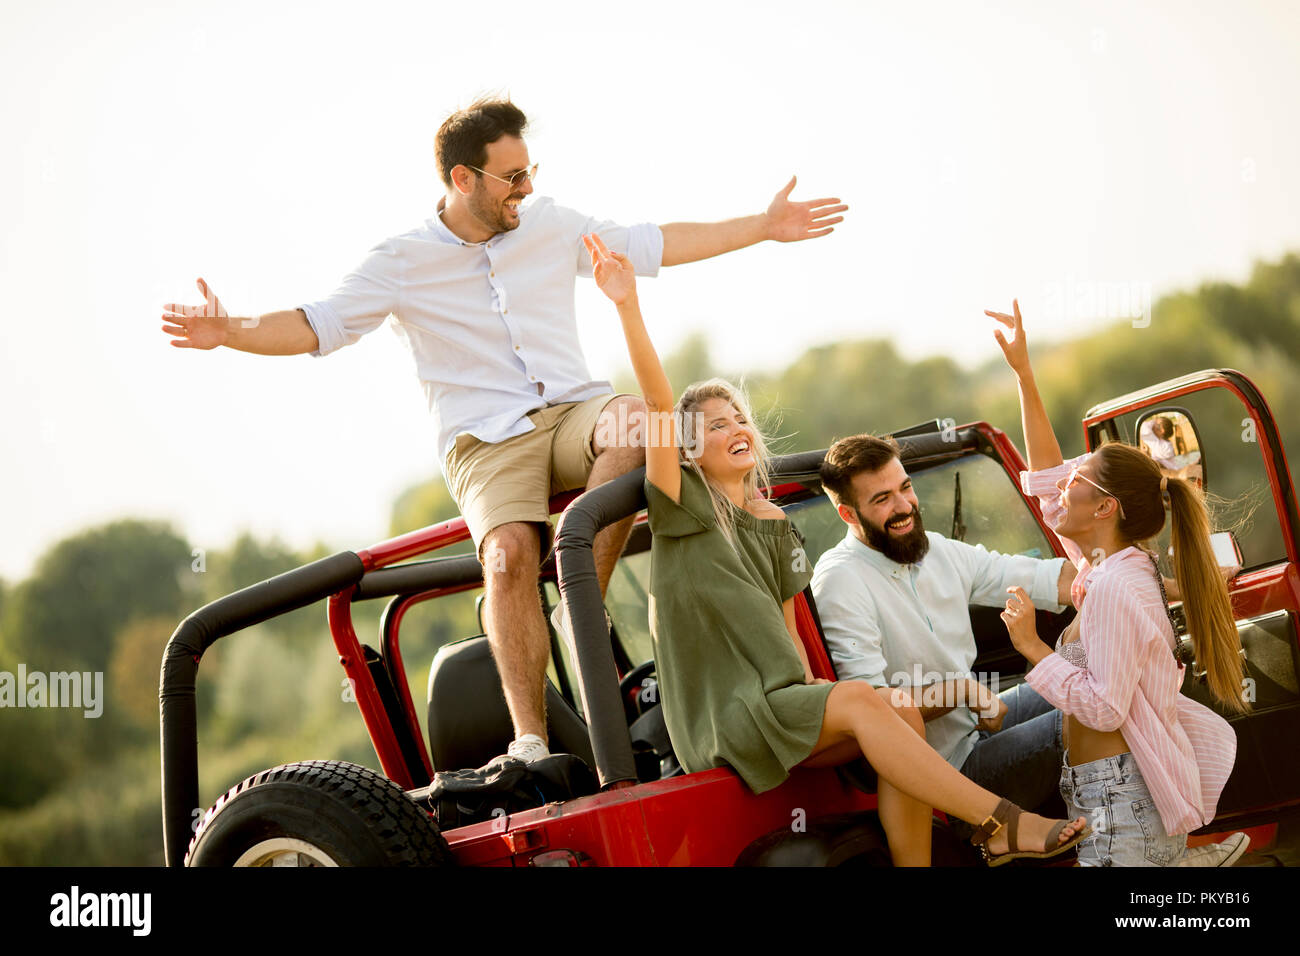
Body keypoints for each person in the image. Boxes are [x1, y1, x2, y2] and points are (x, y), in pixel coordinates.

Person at [160, 97, 848, 766]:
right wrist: (230, 333)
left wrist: (762, 225)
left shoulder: (549, 223)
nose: (526, 188)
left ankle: (580, 611)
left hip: (573, 410)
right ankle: (530, 741)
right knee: (508, 558)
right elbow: (318, 324)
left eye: (530, 172)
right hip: (485, 440)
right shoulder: (401, 260)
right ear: (463, 180)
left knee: (641, 420)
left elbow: (653, 242)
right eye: (511, 177)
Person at [584, 230, 1088, 866]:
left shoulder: (772, 519)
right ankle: (998, 822)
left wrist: (842, 700)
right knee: (869, 700)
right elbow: (657, 404)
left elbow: (795, 633)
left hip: (788, 708)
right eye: (714, 425)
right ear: (687, 447)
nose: (735, 427)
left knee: (897, 709)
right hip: (727, 721)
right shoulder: (684, 507)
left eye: (739, 416)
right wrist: (627, 304)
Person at [988, 298, 1249, 867]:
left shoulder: (1112, 585)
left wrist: (1032, 646)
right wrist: (1026, 377)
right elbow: (1045, 478)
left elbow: (1105, 711)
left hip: (1122, 800)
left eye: (1077, 481)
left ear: (1104, 508)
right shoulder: (1105, 568)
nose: (1061, 489)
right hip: (1108, 795)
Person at [810, 434, 1076, 818]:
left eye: (905, 488)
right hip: (945, 777)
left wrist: (1140, 578)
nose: (904, 507)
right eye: (882, 499)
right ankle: (1111, 844)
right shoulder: (840, 580)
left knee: (1093, 673)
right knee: (1088, 712)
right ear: (848, 514)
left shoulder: (935, 549)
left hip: (978, 727)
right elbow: (874, 709)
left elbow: (1042, 577)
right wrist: (961, 691)